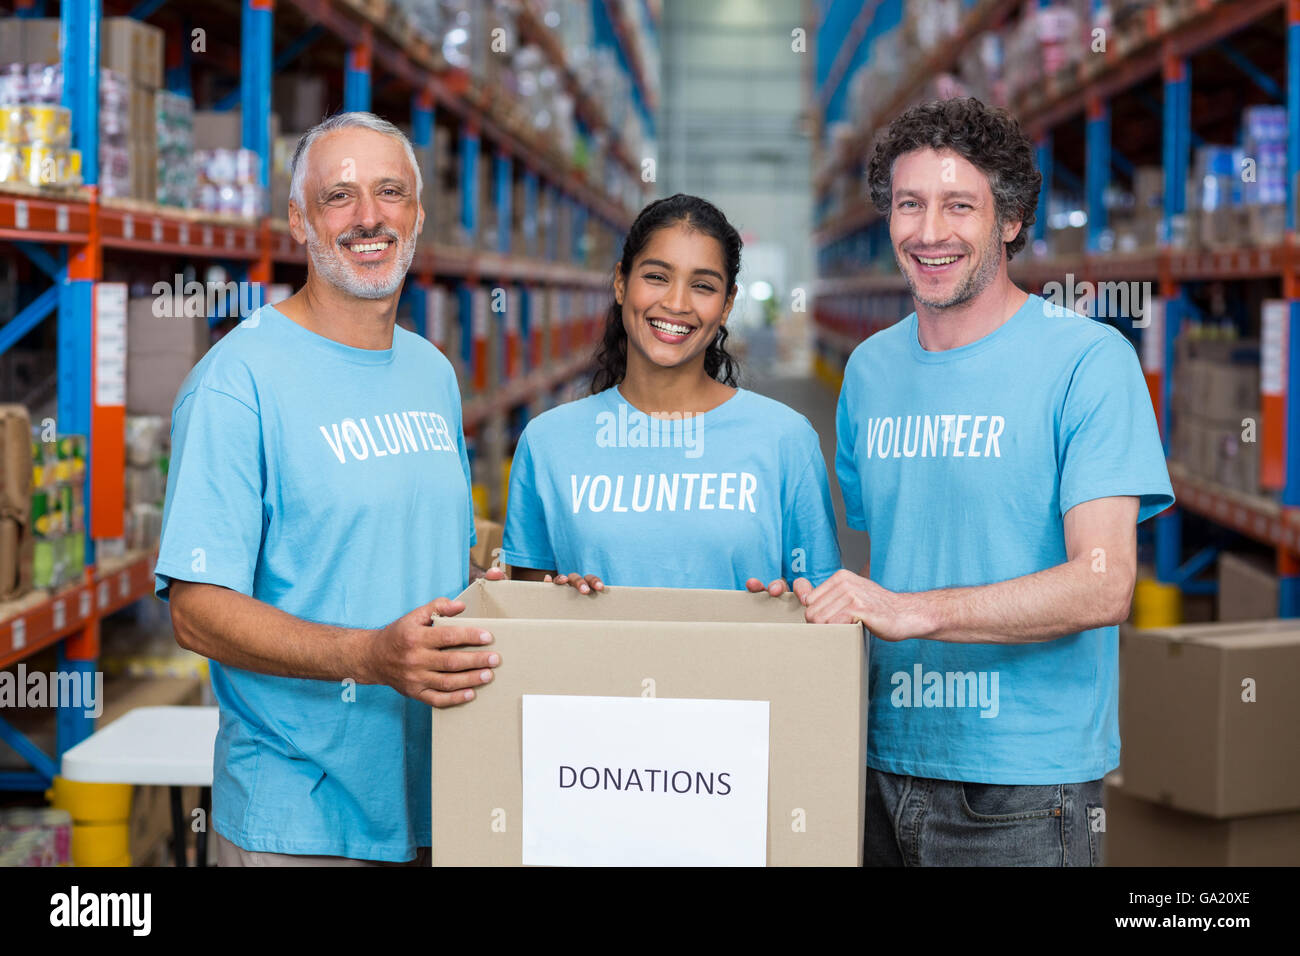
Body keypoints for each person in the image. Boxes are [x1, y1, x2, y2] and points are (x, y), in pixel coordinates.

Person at [796, 97, 1174, 866]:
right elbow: (900, 549)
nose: (929, 232)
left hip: (1020, 787)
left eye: (958, 205)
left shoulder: (1088, 363)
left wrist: (910, 611)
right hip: (876, 756)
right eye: (910, 204)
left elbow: (1104, 586)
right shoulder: (869, 370)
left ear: (1008, 220)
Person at [154, 112, 502, 866]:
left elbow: (389, 535)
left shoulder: (432, 372)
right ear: (298, 219)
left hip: (438, 797)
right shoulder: (237, 382)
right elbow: (197, 611)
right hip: (300, 819)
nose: (369, 218)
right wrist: (372, 658)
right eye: (339, 196)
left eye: (389, 193)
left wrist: (495, 568)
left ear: (416, 214)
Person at [501, 194, 841, 593]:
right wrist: (559, 594)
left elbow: (824, 612)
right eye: (657, 277)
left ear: (727, 304)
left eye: (702, 285)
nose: (676, 303)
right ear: (621, 283)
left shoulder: (786, 440)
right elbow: (528, 611)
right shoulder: (548, 444)